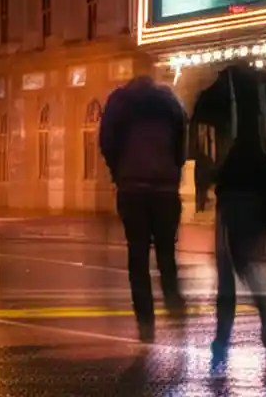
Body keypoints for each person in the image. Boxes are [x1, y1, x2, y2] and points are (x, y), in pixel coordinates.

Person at [191, 64, 266, 379]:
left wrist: (210, 173)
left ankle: (225, 339)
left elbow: (197, 123)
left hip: (233, 192)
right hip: (261, 194)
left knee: (230, 266)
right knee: (248, 262)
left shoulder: (221, 92)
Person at [99, 75, 189, 343]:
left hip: (132, 189)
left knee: (137, 256)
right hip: (164, 188)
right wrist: (174, 170)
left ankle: (146, 322)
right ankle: (173, 301)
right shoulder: (170, 102)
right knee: (166, 252)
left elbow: (107, 142)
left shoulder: (120, 102)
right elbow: (182, 143)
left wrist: (119, 172)